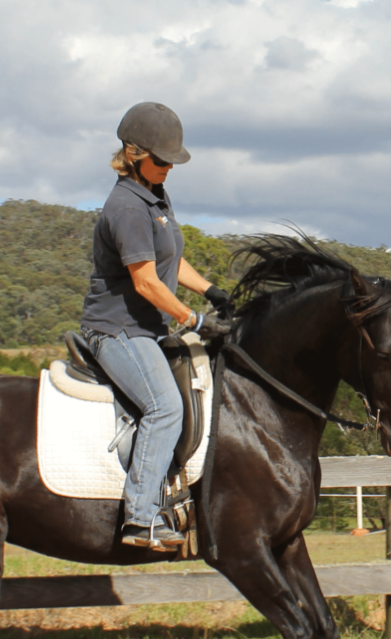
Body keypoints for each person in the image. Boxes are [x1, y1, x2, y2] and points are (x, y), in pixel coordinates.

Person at [80, 101, 232, 550]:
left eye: (172, 161)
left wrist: (210, 291)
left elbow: (169, 260)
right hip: (117, 330)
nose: (168, 167)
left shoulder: (154, 196)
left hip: (145, 329)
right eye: (161, 159)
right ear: (133, 152)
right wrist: (194, 320)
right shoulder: (126, 206)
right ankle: (141, 518)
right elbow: (145, 280)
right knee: (165, 407)